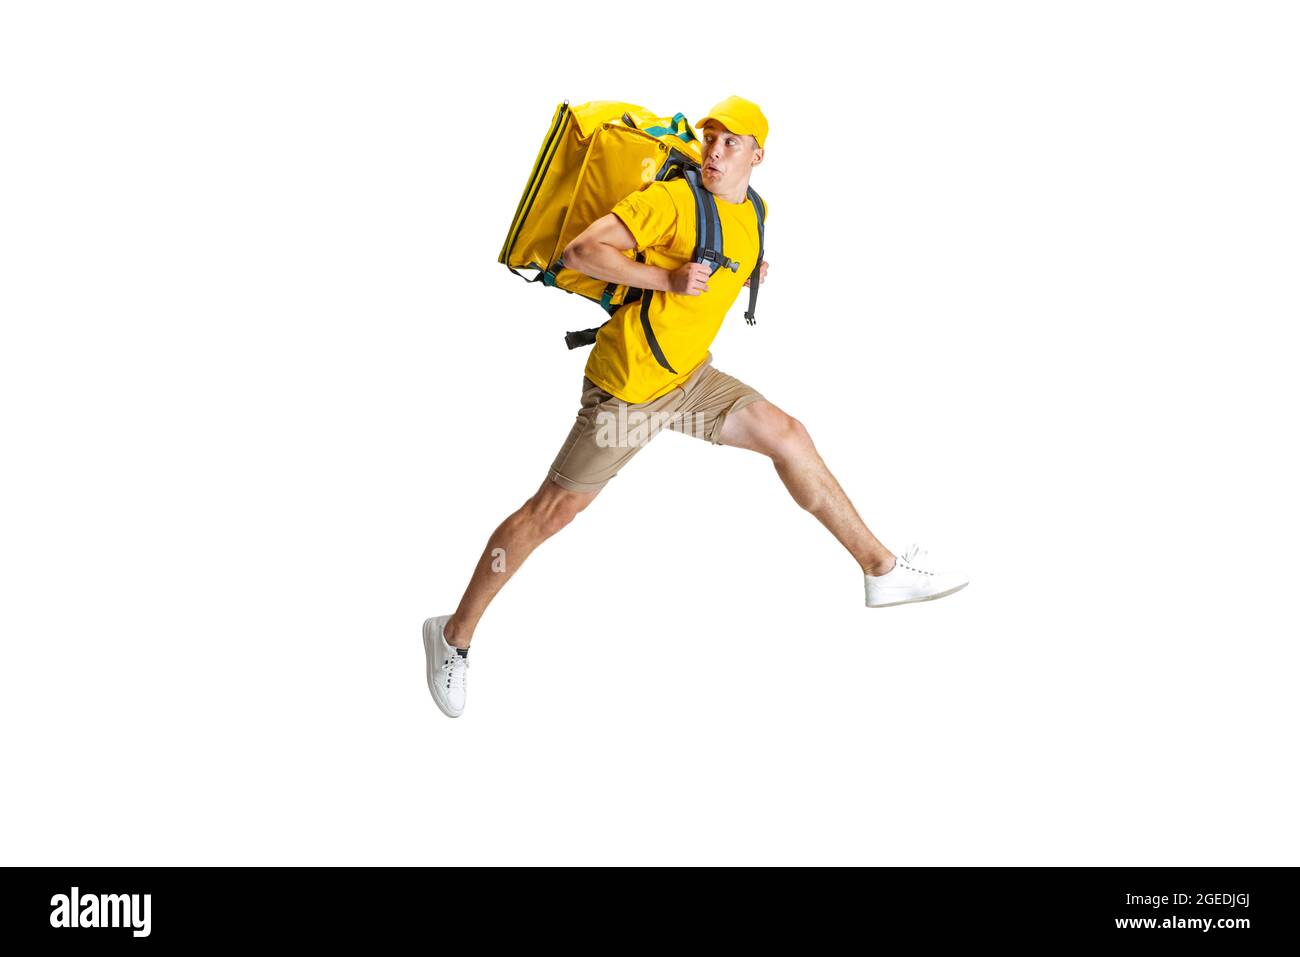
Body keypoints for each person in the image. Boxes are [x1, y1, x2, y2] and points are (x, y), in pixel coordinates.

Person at [423, 95, 968, 718]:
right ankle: (451, 635)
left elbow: (721, 267)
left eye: (731, 143)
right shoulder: (673, 200)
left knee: (789, 435)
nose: (714, 151)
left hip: (690, 378)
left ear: (757, 155)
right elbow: (581, 252)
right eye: (710, 138)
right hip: (631, 390)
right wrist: (668, 280)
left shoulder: (753, 211)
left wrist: (747, 274)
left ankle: (881, 568)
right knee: (551, 513)